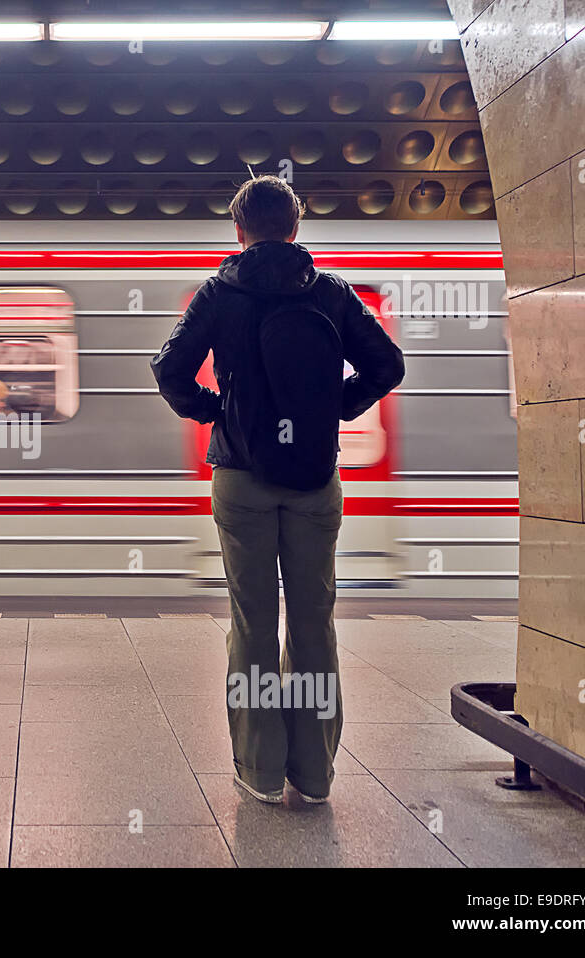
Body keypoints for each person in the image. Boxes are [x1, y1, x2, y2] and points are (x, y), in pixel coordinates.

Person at [150, 176, 404, 805]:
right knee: (314, 622)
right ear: (295, 228)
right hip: (316, 481)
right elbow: (387, 364)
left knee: (253, 623)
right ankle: (313, 775)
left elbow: (170, 369)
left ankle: (261, 770)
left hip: (241, 477)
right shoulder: (332, 292)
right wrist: (333, 409)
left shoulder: (219, 292)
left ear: (240, 231)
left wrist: (219, 411)